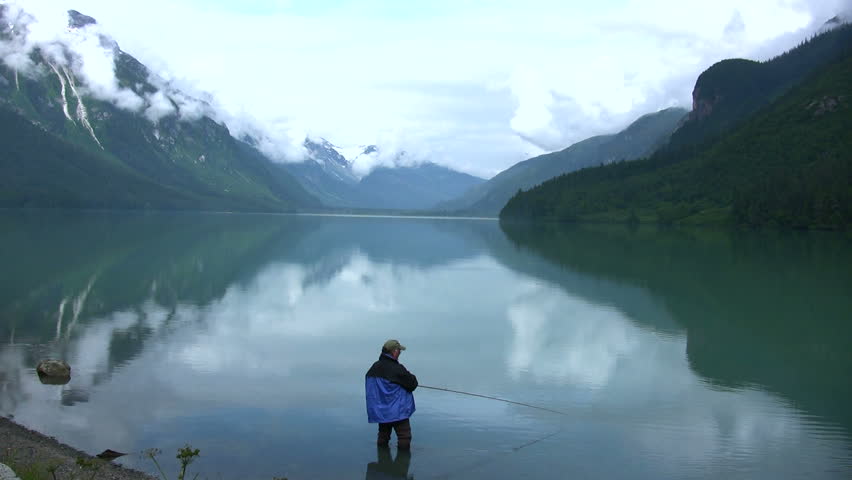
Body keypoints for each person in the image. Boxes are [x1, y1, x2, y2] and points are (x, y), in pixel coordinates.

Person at [365, 339, 418, 449]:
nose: (400, 353)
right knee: (404, 436)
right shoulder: (397, 368)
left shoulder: (374, 368)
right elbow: (412, 384)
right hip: (398, 411)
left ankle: (382, 457)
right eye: (399, 351)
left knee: (383, 435)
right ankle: (403, 458)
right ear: (394, 351)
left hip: (382, 411)